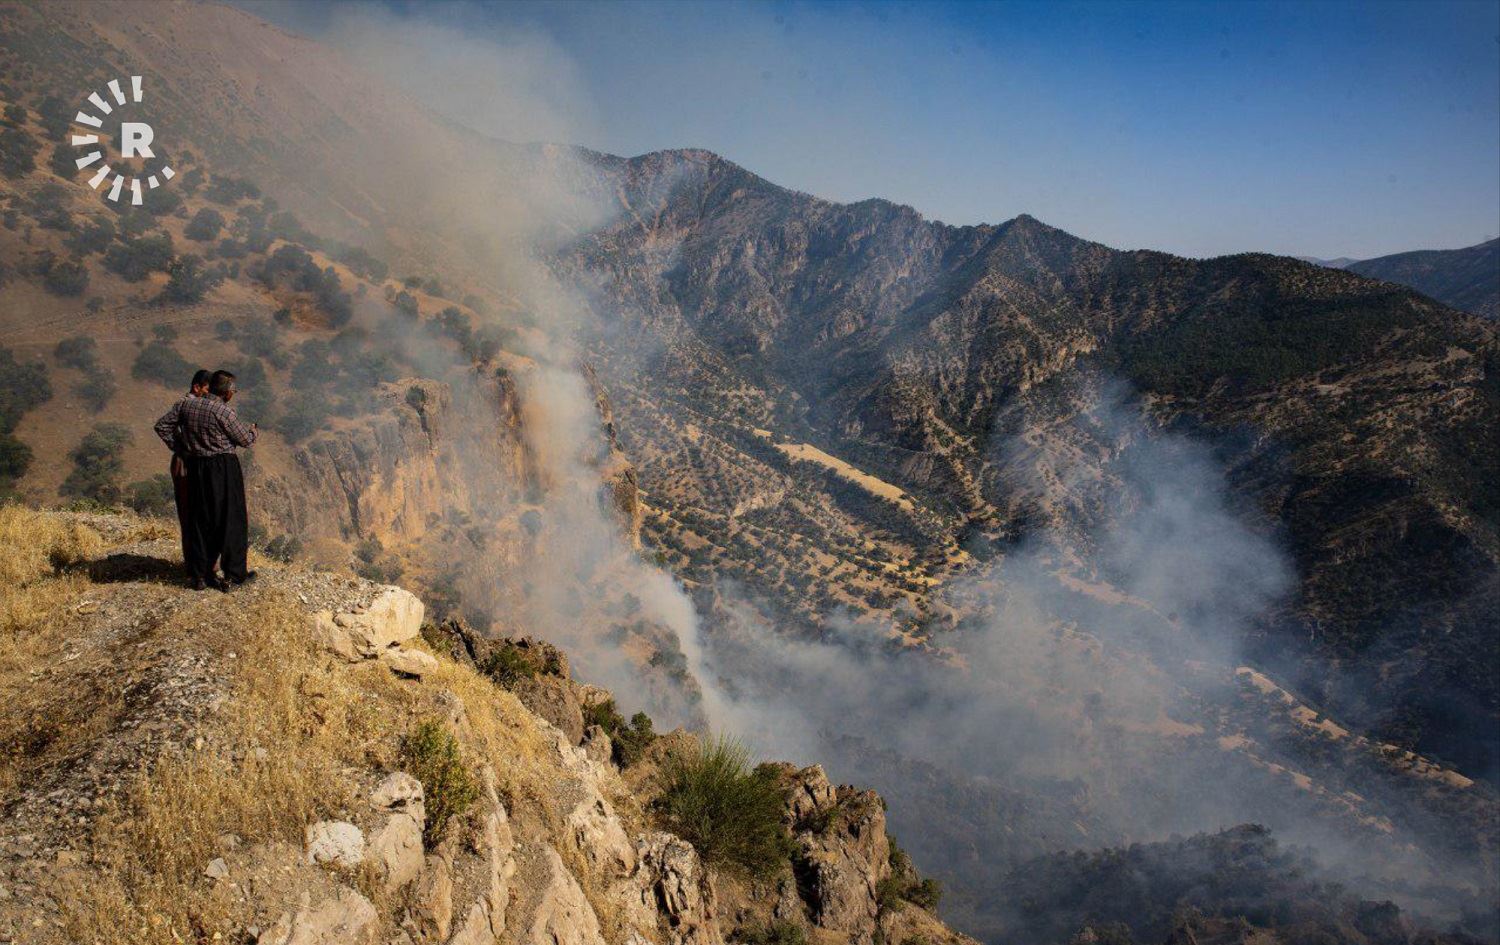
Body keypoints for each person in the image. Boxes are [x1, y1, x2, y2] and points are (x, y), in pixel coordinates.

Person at [177, 370, 258, 591]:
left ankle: (200, 575)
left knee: (201, 520)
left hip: (197, 467)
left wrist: (182, 448)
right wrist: (253, 432)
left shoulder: (187, 405)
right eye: (233, 390)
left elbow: (162, 426)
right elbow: (244, 440)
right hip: (222, 468)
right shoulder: (224, 412)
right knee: (232, 520)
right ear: (227, 392)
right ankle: (233, 575)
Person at [152, 368, 211, 578]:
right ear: (197, 388)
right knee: (189, 514)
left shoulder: (201, 406)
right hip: (186, 463)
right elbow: (162, 426)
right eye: (207, 389)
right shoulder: (185, 405)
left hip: (196, 461)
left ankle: (201, 565)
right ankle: (194, 567)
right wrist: (181, 447)